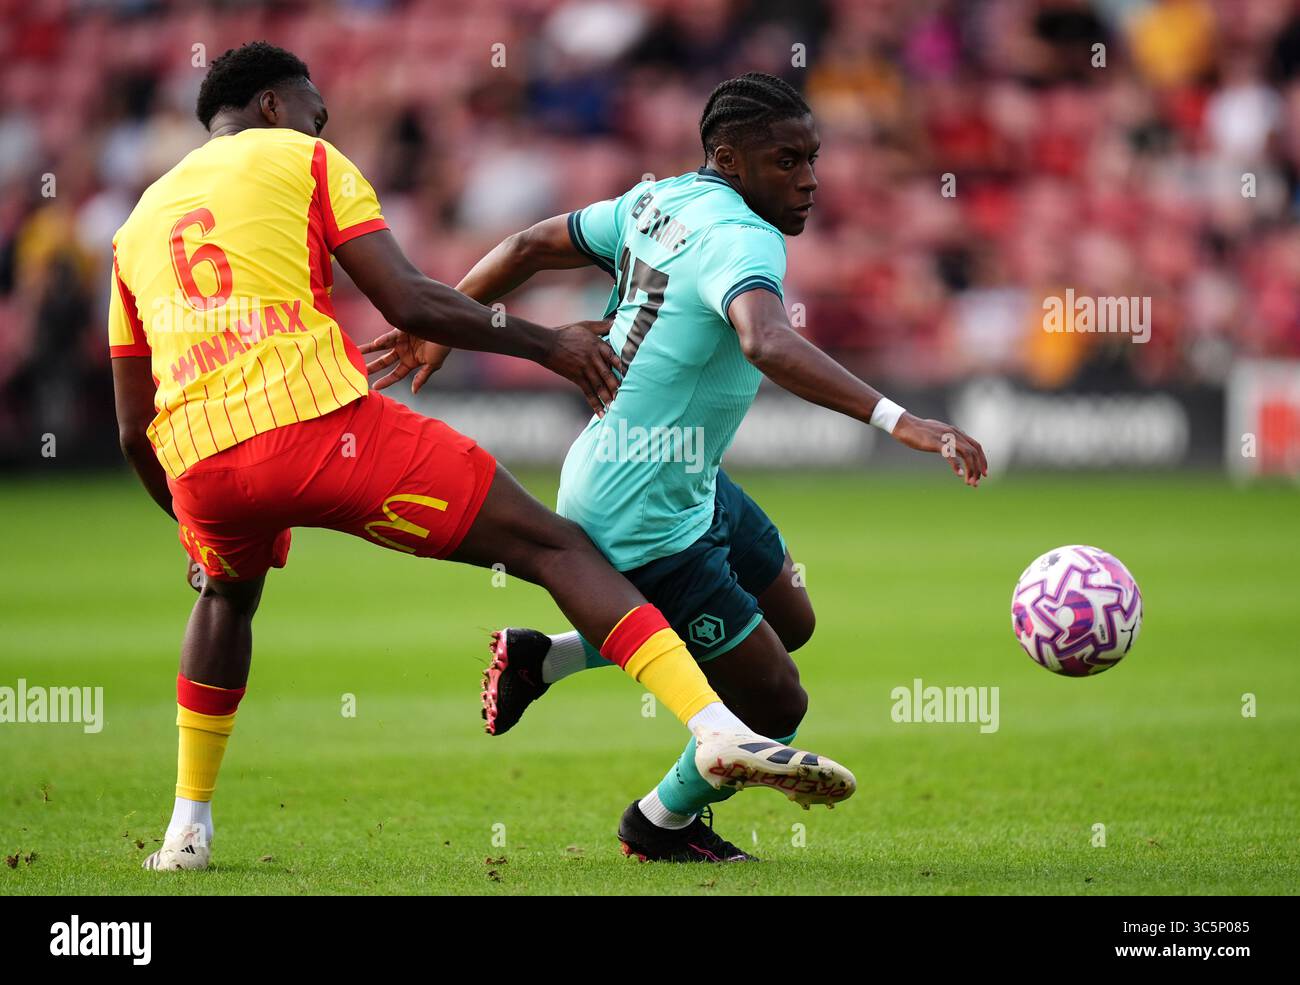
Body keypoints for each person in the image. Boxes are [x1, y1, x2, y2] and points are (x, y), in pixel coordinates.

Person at [109, 46, 856, 871]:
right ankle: (714, 728)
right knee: (553, 546)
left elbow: (131, 428)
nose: (325, 121)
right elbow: (407, 299)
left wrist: (188, 520)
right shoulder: (308, 157)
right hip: (323, 425)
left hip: (202, 459)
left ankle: (186, 831)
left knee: (223, 600)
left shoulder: (135, 223)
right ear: (276, 105)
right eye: (316, 108)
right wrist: (549, 345)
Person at [364, 73, 987, 863]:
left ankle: (543, 656)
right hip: (644, 510)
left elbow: (527, 246)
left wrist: (442, 321)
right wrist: (904, 421)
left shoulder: (654, 200)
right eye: (786, 161)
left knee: (792, 618)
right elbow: (768, 340)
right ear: (729, 157)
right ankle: (661, 821)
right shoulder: (745, 237)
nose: (809, 179)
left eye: (813, 158)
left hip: (685, 479)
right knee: (775, 698)